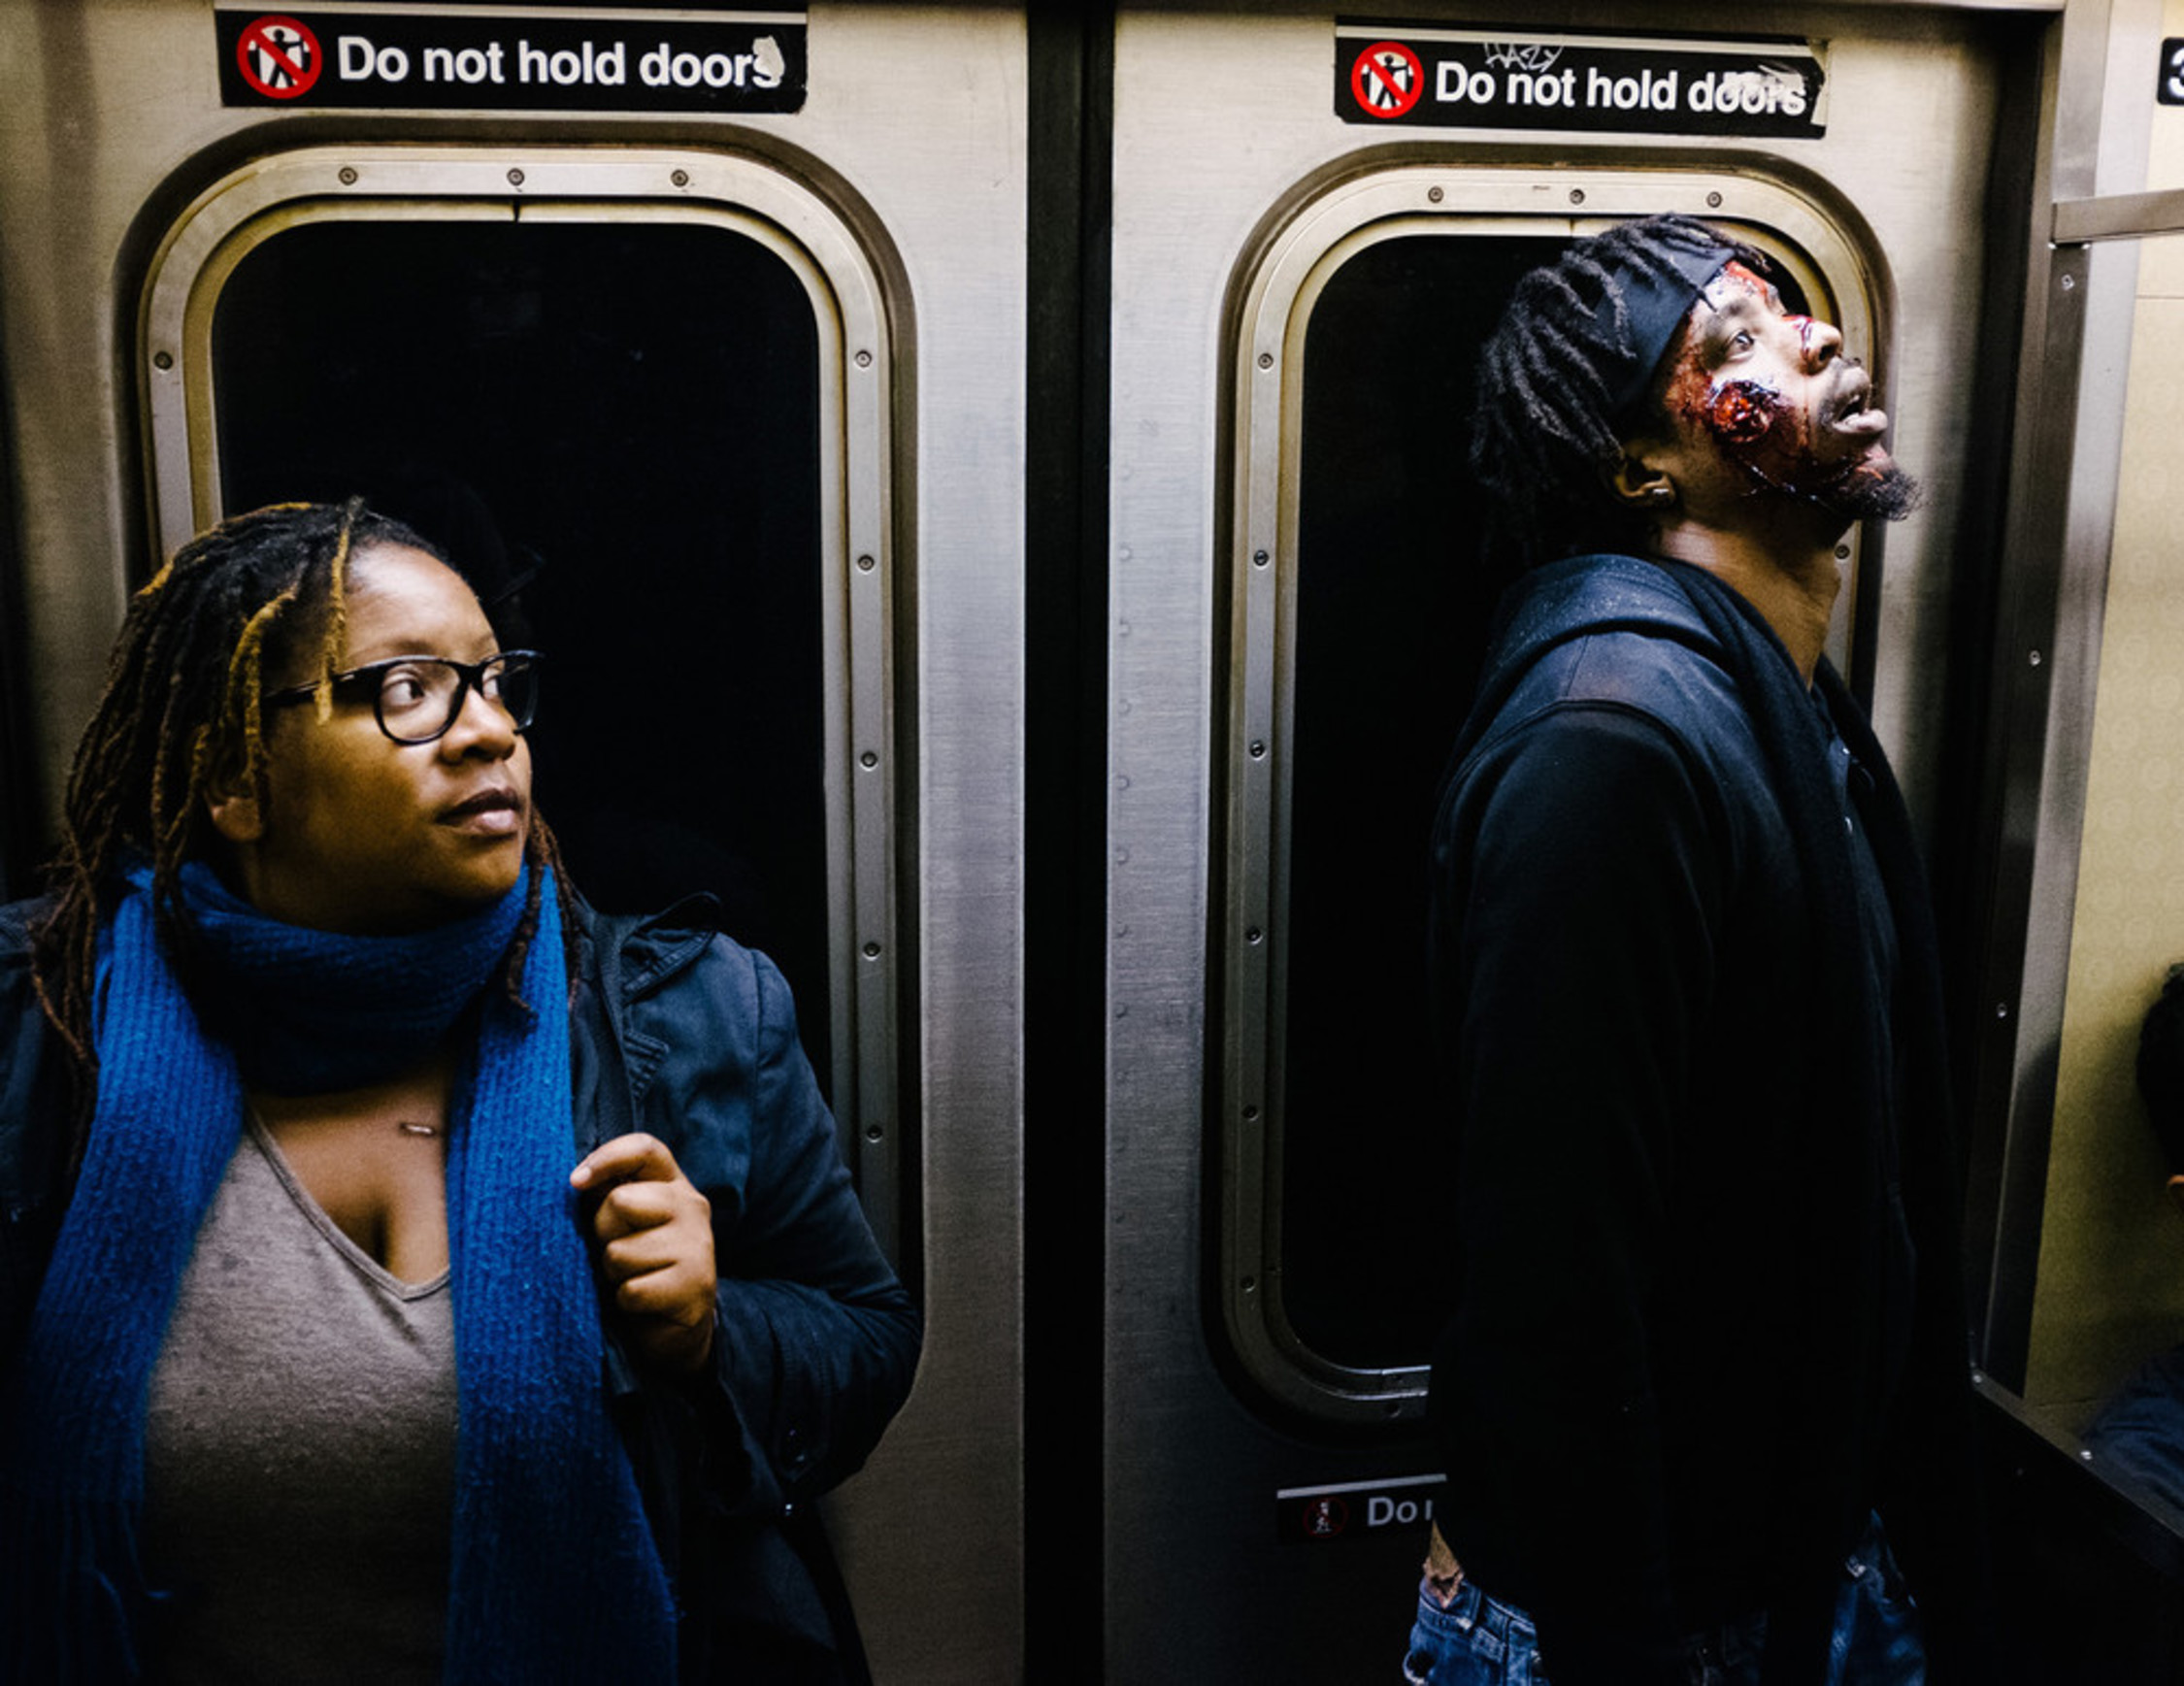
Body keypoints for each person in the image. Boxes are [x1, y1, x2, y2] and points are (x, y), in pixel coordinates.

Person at [0, 500, 920, 1684]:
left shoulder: (687, 1017)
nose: (488, 732)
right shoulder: (42, 1027)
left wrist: (708, 1333)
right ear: (235, 778)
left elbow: (863, 1336)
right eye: (408, 690)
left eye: (493, 682)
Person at [1406, 215, 1989, 1685]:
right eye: (1728, 348)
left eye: (1788, 314)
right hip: (1644, 1611)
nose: (1810, 341)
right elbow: (1555, 1267)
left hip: (1789, 1555)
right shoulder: (1617, 738)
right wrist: (1629, 1642)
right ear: (1638, 468)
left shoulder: (1786, 713)